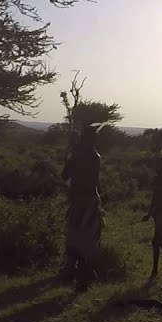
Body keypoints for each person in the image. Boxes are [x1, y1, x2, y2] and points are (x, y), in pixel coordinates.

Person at [62, 125, 102, 291]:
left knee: (73, 234)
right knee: (90, 238)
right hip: (90, 200)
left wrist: (70, 155)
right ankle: (84, 275)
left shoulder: (76, 156)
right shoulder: (95, 157)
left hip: (76, 199)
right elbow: (94, 181)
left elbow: (64, 175)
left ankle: (70, 270)